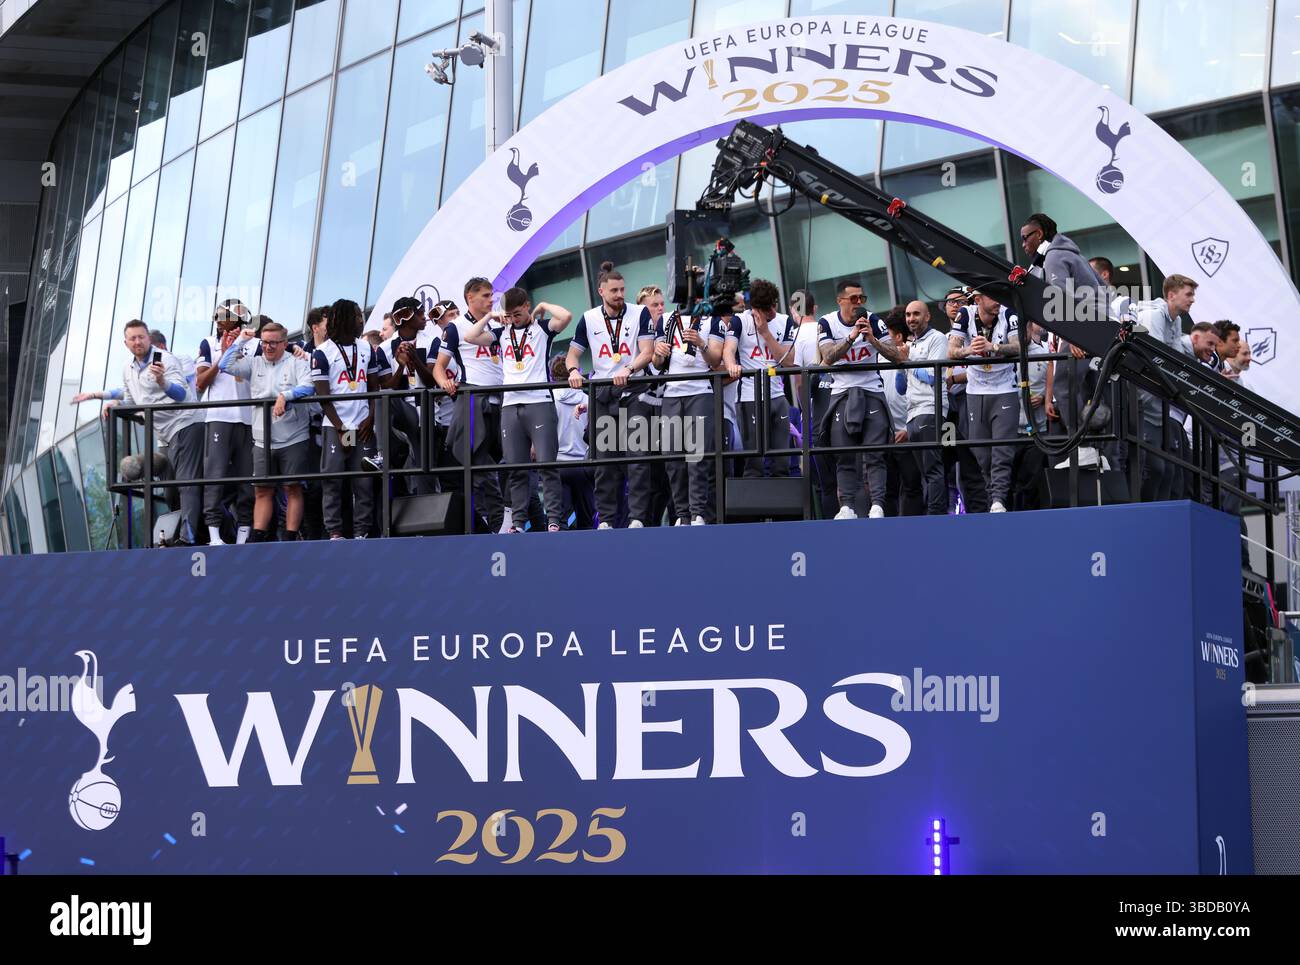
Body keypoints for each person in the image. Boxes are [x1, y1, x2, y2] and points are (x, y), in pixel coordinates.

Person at [72, 319, 205, 543]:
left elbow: (182, 395)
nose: (137, 341)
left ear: (148, 338)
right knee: (170, 489)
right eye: (132, 338)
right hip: (164, 434)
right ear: (126, 343)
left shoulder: (165, 359)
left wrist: (162, 380)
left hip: (185, 423)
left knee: (186, 482)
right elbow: (133, 400)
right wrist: (115, 405)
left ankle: (188, 537)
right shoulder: (128, 368)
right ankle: (187, 533)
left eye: (141, 337)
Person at [565, 263, 657, 528]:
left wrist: (628, 368)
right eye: (614, 290)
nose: (619, 294)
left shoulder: (639, 312)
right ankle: (605, 520)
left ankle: (638, 518)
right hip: (603, 393)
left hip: (634, 390)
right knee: (604, 461)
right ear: (601, 291)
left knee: (637, 457)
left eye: (622, 289)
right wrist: (573, 370)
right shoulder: (589, 317)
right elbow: (573, 354)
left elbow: (647, 351)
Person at [219, 321, 314, 542]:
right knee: (262, 490)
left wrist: (286, 396)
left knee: (293, 488)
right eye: (264, 343)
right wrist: (242, 339)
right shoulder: (255, 363)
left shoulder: (296, 362)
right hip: (262, 439)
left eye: (273, 343)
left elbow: (309, 386)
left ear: (284, 343)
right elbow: (225, 365)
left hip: (294, 436)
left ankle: (290, 536)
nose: (268, 347)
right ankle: (258, 535)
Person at [817, 279, 901, 520]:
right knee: (844, 453)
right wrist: (852, 337)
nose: (858, 303)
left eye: (861, 299)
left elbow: (897, 356)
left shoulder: (874, 320)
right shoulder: (828, 322)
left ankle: (877, 504)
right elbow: (829, 357)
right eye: (853, 299)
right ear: (840, 300)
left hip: (870, 390)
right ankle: (847, 506)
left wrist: (872, 339)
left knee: (875, 453)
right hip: (841, 392)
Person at [493, 287, 571, 532]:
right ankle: (517, 522)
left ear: (526, 306)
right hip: (510, 405)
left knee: (547, 465)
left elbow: (566, 316)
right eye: (510, 315)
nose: (513, 319)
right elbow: (472, 336)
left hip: (539, 401)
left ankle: (554, 520)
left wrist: (543, 305)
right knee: (516, 468)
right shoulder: (501, 333)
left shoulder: (541, 329)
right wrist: (491, 316)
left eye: (517, 314)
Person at [435, 277, 506, 533]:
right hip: (475, 397)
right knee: (477, 461)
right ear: (470, 298)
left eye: (491, 295)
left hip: (503, 398)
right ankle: (493, 521)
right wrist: (445, 383)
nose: (491, 300)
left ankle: (502, 520)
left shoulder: (499, 323)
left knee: (503, 461)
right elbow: (438, 367)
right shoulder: (455, 327)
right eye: (485, 296)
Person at [312, 298, 383, 540]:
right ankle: (334, 533)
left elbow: (374, 388)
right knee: (333, 481)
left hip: (362, 425)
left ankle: (362, 532)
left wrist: (371, 418)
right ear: (342, 319)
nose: (361, 321)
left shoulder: (365, 349)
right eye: (356, 316)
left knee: (363, 482)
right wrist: (342, 428)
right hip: (337, 426)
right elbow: (323, 396)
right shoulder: (322, 352)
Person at [654, 298, 728, 525]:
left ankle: (698, 513)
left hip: (700, 391)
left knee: (698, 456)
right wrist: (658, 352)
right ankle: (681, 515)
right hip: (672, 393)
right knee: (672, 458)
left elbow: (715, 361)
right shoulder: (665, 319)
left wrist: (701, 344)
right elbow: (657, 364)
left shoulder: (713, 319)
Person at [948, 290, 1021, 513]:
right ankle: (995, 500)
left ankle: (998, 500)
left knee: (1002, 450)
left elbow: (1020, 346)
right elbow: (951, 351)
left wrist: (994, 347)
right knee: (981, 453)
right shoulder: (966, 314)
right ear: (978, 300)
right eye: (991, 296)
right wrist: (970, 350)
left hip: (1004, 388)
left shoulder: (1008, 313)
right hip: (975, 390)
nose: (997, 300)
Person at [195, 300, 256, 545]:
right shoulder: (209, 343)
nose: (221, 322)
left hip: (249, 418)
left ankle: (243, 534)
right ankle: (213, 534)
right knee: (215, 475)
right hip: (218, 416)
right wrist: (224, 356)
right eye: (219, 317)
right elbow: (200, 382)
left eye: (225, 317)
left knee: (247, 480)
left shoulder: (255, 343)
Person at [723, 278, 797, 477]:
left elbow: (789, 360)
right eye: (767, 309)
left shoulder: (784, 321)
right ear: (755, 308)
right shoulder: (740, 320)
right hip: (749, 398)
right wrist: (731, 365)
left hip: (777, 395)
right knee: (754, 463)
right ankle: (756, 508)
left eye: (774, 305)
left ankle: (783, 507)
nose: (772, 311)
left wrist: (766, 333)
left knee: (782, 460)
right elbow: (728, 349)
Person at [1135, 274, 1198, 502]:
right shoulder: (1153, 316)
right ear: (1171, 295)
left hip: (1159, 405)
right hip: (1144, 402)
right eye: (1188, 294)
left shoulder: (1176, 320)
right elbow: (1156, 359)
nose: (1193, 300)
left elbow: (1175, 360)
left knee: (1168, 471)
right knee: (1156, 470)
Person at [379, 296, 438, 495]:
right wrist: (401, 366)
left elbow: (432, 381)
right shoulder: (385, 348)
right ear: (405, 317)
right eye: (419, 313)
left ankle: (427, 516)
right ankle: (380, 454)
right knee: (384, 398)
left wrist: (414, 358)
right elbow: (387, 386)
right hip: (400, 409)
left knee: (424, 471)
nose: (424, 317)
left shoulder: (432, 340)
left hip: (426, 408)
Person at [940, 287, 988, 514]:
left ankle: (980, 511)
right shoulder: (943, 339)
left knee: (972, 458)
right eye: (950, 302)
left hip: (970, 398)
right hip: (950, 409)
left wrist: (955, 376)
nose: (955, 305)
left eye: (960, 301)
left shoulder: (977, 332)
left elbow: (984, 368)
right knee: (950, 460)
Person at [790, 289, 837, 517]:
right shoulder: (828, 327)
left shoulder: (796, 335)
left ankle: (827, 529)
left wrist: (803, 412)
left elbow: (799, 382)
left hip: (814, 411)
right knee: (847, 475)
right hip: (838, 403)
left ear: (793, 310)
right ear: (815, 308)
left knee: (822, 482)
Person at [901, 300, 949, 516]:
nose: (912, 318)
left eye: (916, 314)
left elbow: (933, 376)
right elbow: (901, 388)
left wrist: (908, 362)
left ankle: (936, 515)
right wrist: (902, 364)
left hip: (931, 408)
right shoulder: (910, 345)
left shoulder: (937, 338)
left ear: (927, 316)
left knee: (933, 468)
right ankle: (932, 514)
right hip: (911, 413)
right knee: (924, 472)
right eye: (908, 315)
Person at [635, 284, 673, 526]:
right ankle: (645, 524)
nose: (660, 308)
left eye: (661, 304)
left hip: (669, 409)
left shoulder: (670, 329)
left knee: (672, 471)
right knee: (645, 474)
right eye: (654, 305)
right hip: (642, 411)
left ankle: (679, 521)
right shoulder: (634, 334)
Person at [879, 308, 921, 516]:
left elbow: (928, 393)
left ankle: (913, 533)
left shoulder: (916, 353)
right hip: (886, 435)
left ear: (897, 335)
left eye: (887, 333)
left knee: (912, 486)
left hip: (910, 433)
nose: (884, 338)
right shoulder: (879, 357)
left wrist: (908, 429)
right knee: (887, 490)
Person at [551, 354, 595, 529]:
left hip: (557, 464)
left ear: (552, 376)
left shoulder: (549, 398)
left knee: (560, 520)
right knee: (587, 518)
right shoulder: (587, 399)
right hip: (583, 465)